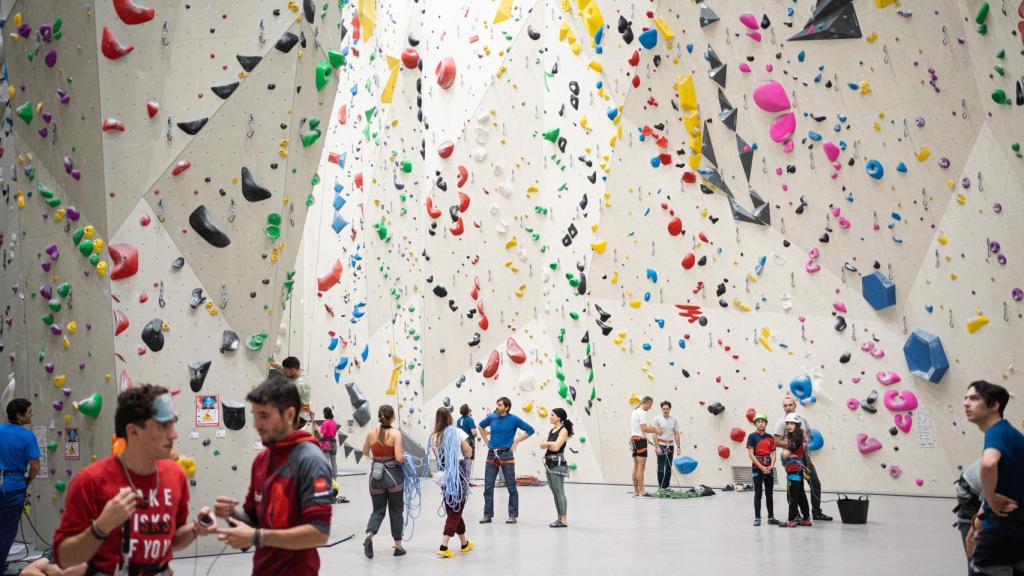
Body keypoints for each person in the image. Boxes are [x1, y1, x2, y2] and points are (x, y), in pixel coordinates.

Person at [52, 386, 214, 575]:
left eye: (173, 424)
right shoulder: (90, 481)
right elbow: (64, 558)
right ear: (133, 432)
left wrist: (196, 528)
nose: (174, 434)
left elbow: (173, 540)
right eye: (163, 426)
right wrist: (101, 527)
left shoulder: (175, 475)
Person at [212, 374, 333, 576]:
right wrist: (231, 514)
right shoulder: (261, 461)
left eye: (265, 416)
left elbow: (319, 533)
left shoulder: (311, 461)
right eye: (255, 415)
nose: (256, 424)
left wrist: (256, 537)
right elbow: (253, 523)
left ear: (289, 414)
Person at [963, 380, 1024, 574]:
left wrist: (990, 498)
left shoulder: (997, 433)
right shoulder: (1012, 435)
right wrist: (981, 517)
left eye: (973, 398)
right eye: (965, 398)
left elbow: (989, 464)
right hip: (1015, 532)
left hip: (1000, 534)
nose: (965, 403)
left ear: (994, 405)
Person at [773, 396, 832, 521]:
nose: (788, 407)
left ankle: (816, 512)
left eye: (790, 405)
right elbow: (776, 441)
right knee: (794, 488)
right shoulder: (781, 422)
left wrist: (805, 441)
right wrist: (793, 443)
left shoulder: (803, 419)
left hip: (805, 458)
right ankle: (796, 515)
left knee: (815, 484)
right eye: (785, 405)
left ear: (795, 405)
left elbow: (809, 436)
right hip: (792, 459)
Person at [478, 397, 535, 524]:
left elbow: (530, 430)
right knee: (488, 486)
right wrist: (487, 441)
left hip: (507, 454)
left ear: (507, 407)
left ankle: (513, 515)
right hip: (492, 454)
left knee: (511, 486)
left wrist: (517, 441)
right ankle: (487, 515)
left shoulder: (514, 419)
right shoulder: (492, 417)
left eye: (500, 405)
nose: (497, 407)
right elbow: (480, 426)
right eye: (497, 404)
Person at [361, 405, 406, 558]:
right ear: (392, 417)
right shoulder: (395, 434)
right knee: (396, 511)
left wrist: (378, 459)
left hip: (376, 476)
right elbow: (399, 458)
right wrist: (403, 458)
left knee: (378, 510)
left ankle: (369, 535)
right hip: (393, 477)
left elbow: (365, 452)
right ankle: (398, 547)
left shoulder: (370, 433)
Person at [0, 399, 40, 574]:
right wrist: (27, 482)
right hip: (14, 487)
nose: (32, 414)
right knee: (6, 531)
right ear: (19, 415)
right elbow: (35, 466)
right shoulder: (28, 436)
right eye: (29, 412)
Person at [430, 407, 474, 558]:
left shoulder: (435, 436)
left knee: (452, 506)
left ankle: (464, 543)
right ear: (449, 417)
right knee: (456, 508)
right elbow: (467, 450)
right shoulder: (457, 432)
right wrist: (469, 454)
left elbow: (437, 455)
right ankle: (444, 545)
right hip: (458, 473)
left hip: (444, 474)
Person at [539, 408, 572, 528]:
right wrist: (548, 444)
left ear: (559, 417)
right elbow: (542, 445)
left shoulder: (563, 431)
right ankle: (559, 517)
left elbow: (556, 448)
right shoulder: (552, 430)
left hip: (557, 463)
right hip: (549, 463)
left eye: (552, 415)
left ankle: (563, 519)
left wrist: (547, 443)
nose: (550, 417)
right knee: (554, 492)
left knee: (559, 491)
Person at [777, 413, 812, 528]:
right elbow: (787, 454)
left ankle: (791, 520)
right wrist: (787, 454)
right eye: (787, 423)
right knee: (801, 496)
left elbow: (785, 454)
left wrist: (785, 454)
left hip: (794, 472)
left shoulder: (796, 438)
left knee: (793, 497)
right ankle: (806, 519)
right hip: (797, 471)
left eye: (792, 423)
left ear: (797, 424)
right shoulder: (796, 436)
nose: (789, 425)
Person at [746, 413, 779, 526]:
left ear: (766, 423)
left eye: (762, 421)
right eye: (758, 421)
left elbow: (774, 453)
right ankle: (757, 518)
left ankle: (771, 517)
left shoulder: (770, 437)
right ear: (755, 423)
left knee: (769, 494)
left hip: (769, 467)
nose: (760, 423)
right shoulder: (752, 437)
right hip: (757, 468)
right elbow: (751, 454)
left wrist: (771, 465)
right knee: (758, 493)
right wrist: (761, 467)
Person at [954, 459, 983, 576]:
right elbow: (983, 514)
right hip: (971, 499)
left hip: (988, 490)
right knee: (977, 561)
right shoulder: (1009, 472)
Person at [314, 407, 347, 504]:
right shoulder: (333, 422)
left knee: (325, 462)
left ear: (325, 413)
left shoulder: (325, 423)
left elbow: (321, 436)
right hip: (333, 443)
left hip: (326, 444)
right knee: (334, 462)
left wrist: (316, 429)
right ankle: (334, 480)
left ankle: (327, 481)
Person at [629, 397, 661, 497]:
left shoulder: (634, 411)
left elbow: (640, 428)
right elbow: (644, 428)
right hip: (640, 441)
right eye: (650, 405)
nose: (650, 408)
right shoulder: (642, 412)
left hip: (633, 440)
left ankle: (636, 491)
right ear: (647, 403)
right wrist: (656, 430)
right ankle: (642, 491)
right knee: (641, 468)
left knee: (636, 466)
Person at [270, 356, 312, 429]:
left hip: (300, 417)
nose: (285, 373)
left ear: (293, 370)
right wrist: (274, 364)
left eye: (286, 372)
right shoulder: (297, 372)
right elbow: (283, 369)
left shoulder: (299, 385)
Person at [651, 400, 680, 490]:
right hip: (661, 445)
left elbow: (676, 433)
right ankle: (661, 488)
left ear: (670, 409)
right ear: (661, 409)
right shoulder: (657, 419)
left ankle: (667, 487)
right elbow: (654, 433)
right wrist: (657, 447)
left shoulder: (674, 420)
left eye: (667, 409)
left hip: (670, 446)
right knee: (660, 467)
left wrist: (678, 447)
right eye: (663, 409)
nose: (665, 410)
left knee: (668, 467)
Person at [456, 404, 478, 480]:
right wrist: (476, 434)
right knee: (468, 463)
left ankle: (461, 480)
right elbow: (473, 433)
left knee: (461, 463)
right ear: (468, 410)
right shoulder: (470, 419)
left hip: (460, 442)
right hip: (469, 442)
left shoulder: (458, 420)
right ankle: (467, 482)